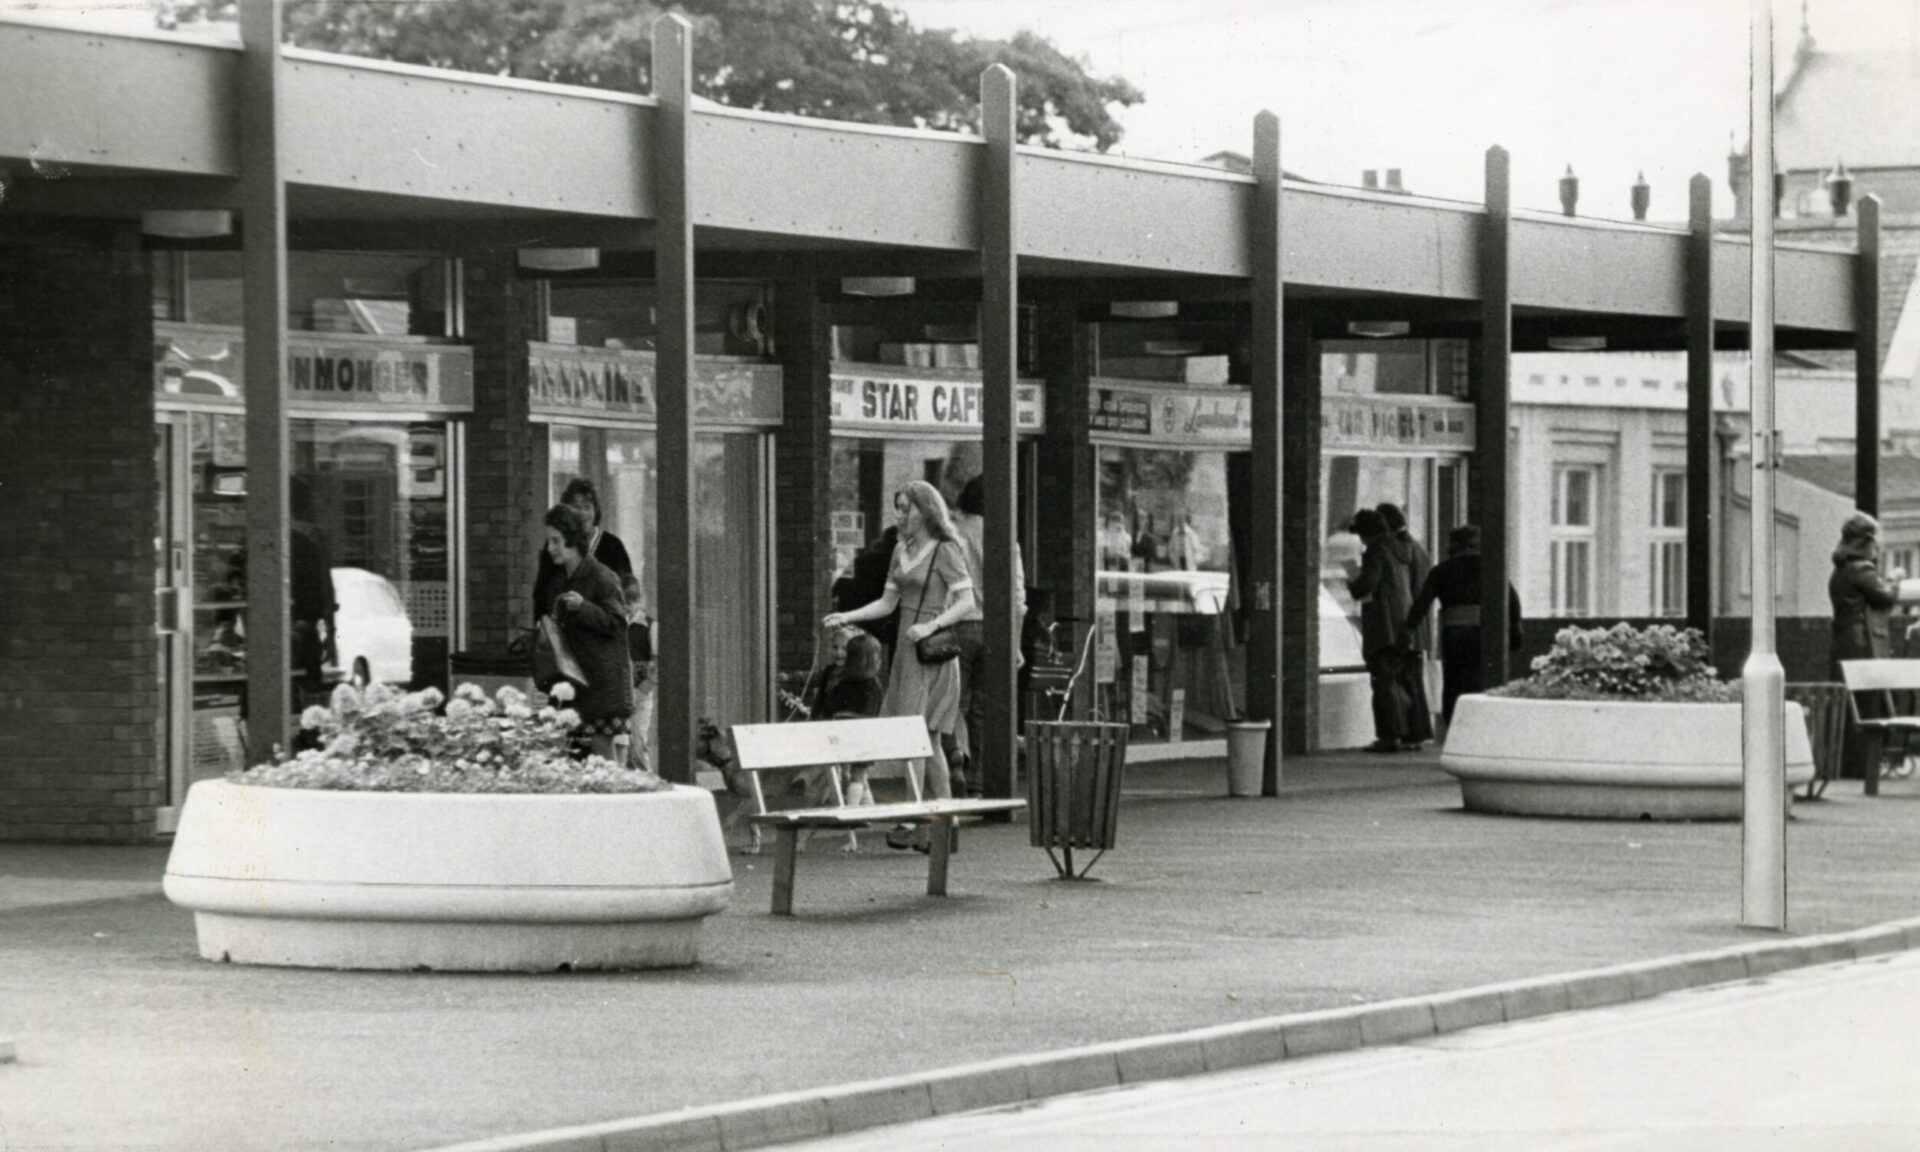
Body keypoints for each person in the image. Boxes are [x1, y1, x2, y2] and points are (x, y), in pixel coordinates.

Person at [823, 480, 974, 850]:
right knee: (928, 740)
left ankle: (916, 820)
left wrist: (932, 624)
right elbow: (887, 604)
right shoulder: (900, 550)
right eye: (897, 507)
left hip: (931, 650)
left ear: (925, 510)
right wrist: (846, 615)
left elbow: (967, 601)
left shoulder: (946, 550)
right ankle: (945, 821)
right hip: (908, 650)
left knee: (919, 737)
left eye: (905, 507)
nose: (899, 514)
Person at [945, 475, 1028, 798]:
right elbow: (1018, 597)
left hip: (959, 626)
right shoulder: (1005, 539)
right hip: (996, 629)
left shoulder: (954, 535)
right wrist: (1016, 642)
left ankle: (956, 756)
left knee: (955, 703)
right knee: (983, 707)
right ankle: (980, 780)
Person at [1405, 525, 1524, 729]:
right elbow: (1512, 600)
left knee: (1454, 683)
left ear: (1453, 545)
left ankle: (1457, 727)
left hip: (1454, 633)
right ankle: (1484, 726)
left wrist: (1406, 632)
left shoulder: (1441, 571)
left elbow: (1421, 605)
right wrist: (1515, 633)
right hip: (1485, 633)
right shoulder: (1492, 569)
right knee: (1482, 679)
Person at [540, 503, 633, 762]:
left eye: (556, 541)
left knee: (601, 749)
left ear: (572, 539)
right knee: (566, 751)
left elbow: (617, 624)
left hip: (602, 685)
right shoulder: (559, 579)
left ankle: (615, 801)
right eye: (549, 541)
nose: (550, 549)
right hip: (576, 681)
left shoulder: (602, 577)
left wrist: (584, 607)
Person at [1830, 511, 1904, 779]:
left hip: (1843, 640)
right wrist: (1895, 580)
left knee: (1853, 704)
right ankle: (1864, 767)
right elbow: (1884, 599)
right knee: (1869, 702)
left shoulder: (1841, 569)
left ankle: (1850, 765)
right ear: (1867, 542)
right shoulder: (1862, 568)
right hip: (1864, 642)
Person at [1345, 508, 1418, 753]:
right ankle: (1408, 732)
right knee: (1397, 678)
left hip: (1383, 622)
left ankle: (1389, 735)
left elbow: (1368, 584)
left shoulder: (1376, 550)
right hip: (1402, 621)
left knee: (1383, 681)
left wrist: (1352, 580)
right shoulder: (1401, 550)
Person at [532, 478, 632, 626]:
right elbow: (542, 593)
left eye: (587, 507)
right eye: (575, 507)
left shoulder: (613, 546)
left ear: (595, 510)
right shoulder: (555, 548)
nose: (582, 514)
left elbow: (624, 599)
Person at [1376, 503, 1435, 748]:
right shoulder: (1417, 549)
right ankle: (1416, 734)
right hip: (1417, 626)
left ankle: (1398, 732)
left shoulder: (1395, 550)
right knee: (1413, 681)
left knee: (1395, 680)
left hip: (1403, 624)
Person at [840, 524, 900, 652]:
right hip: (880, 619)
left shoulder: (863, 561)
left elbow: (841, 585)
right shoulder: (894, 565)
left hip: (859, 617)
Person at [620, 572, 656, 772]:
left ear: (640, 600)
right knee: (622, 744)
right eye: (624, 601)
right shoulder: (618, 625)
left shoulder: (650, 625)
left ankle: (648, 780)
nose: (628, 607)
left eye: (632, 600)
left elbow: (656, 665)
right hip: (620, 691)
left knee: (637, 743)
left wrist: (642, 691)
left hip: (640, 692)